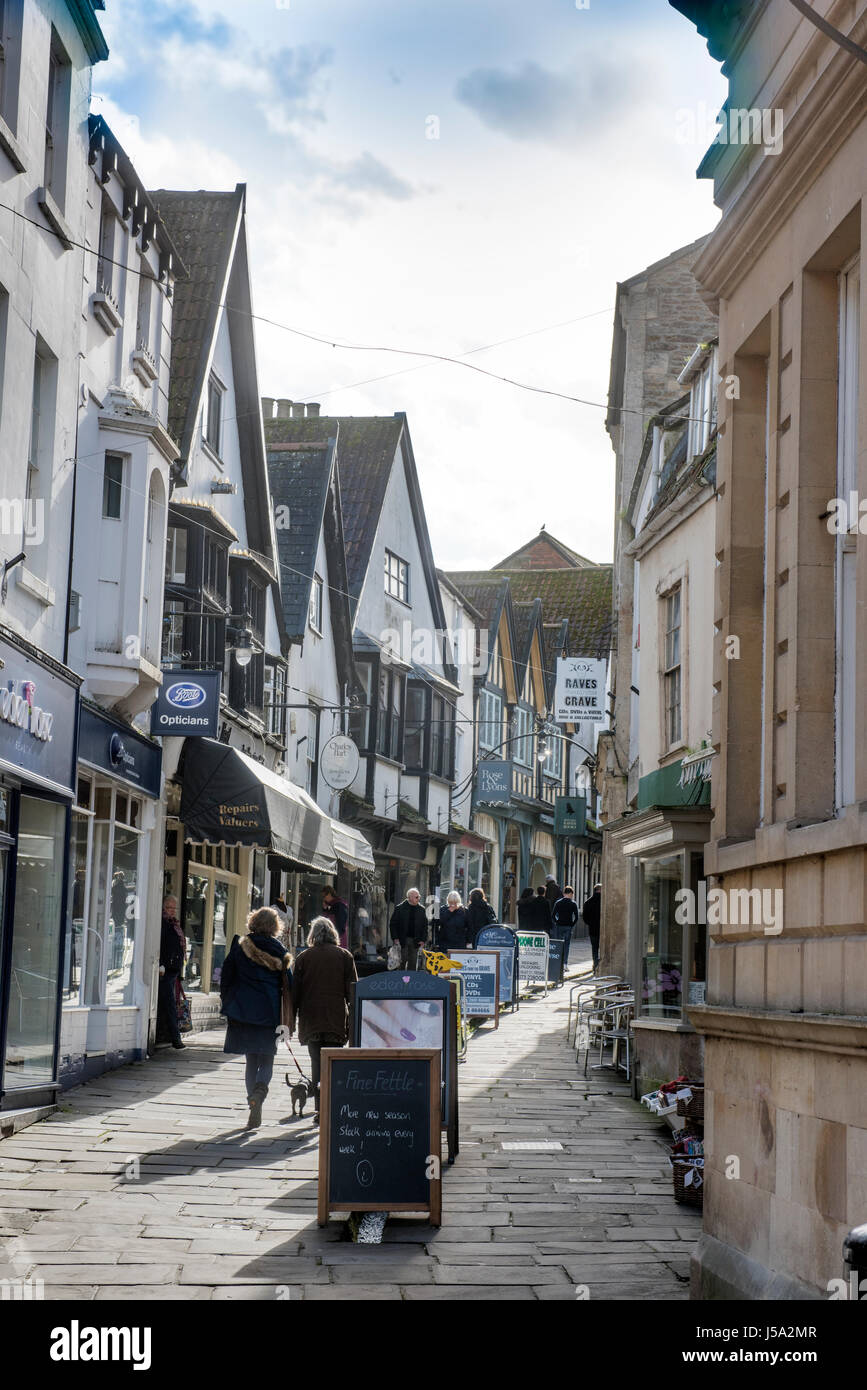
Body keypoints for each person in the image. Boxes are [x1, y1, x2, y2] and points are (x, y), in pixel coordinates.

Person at [220, 906, 293, 1130]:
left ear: (253, 922)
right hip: (269, 1013)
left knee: (251, 1060)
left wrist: (228, 1002)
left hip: (243, 1011)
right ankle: (260, 1093)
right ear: (275, 926)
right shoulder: (280, 950)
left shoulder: (241, 946)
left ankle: (253, 1100)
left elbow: (226, 976)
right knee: (267, 1060)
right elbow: (289, 985)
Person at [291, 916, 357, 1125]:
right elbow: (353, 992)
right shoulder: (345, 956)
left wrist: (289, 1022)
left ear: (313, 935)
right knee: (334, 1066)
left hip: (311, 1020)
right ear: (333, 934)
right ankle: (332, 1108)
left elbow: (294, 994)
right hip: (335, 1020)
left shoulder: (303, 958)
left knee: (317, 1065)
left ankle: (320, 1110)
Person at [158, 895, 186, 1051]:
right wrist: (161, 964)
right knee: (169, 1005)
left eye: (174, 908)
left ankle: (167, 1036)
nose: (172, 910)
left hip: (174, 970)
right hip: (166, 970)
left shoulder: (173, 923)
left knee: (169, 1004)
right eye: (169, 907)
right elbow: (160, 944)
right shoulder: (162, 923)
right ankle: (175, 1038)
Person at [389, 887, 428, 969]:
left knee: (413, 963)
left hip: (416, 940)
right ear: (409, 897)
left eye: (419, 896)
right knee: (402, 961)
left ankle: (412, 981)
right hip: (402, 939)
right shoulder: (400, 908)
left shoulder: (421, 909)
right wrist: (395, 938)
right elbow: (393, 924)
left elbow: (425, 926)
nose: (419, 898)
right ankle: (400, 980)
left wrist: (423, 939)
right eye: (416, 897)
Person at [551, 885, 580, 968]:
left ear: (564, 893)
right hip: (568, 926)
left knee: (559, 944)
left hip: (559, 926)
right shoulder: (573, 903)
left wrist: (557, 922)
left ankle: (558, 963)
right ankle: (565, 964)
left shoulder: (558, 903)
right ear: (571, 894)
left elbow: (553, 915)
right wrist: (572, 924)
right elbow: (576, 917)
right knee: (566, 945)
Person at [582, 882, 602, 972]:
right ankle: (602, 966)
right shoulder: (605, 901)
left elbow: (585, 917)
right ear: (600, 890)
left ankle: (595, 965)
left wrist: (590, 923)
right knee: (603, 949)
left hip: (593, 929)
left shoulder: (588, 902)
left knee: (594, 948)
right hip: (603, 929)